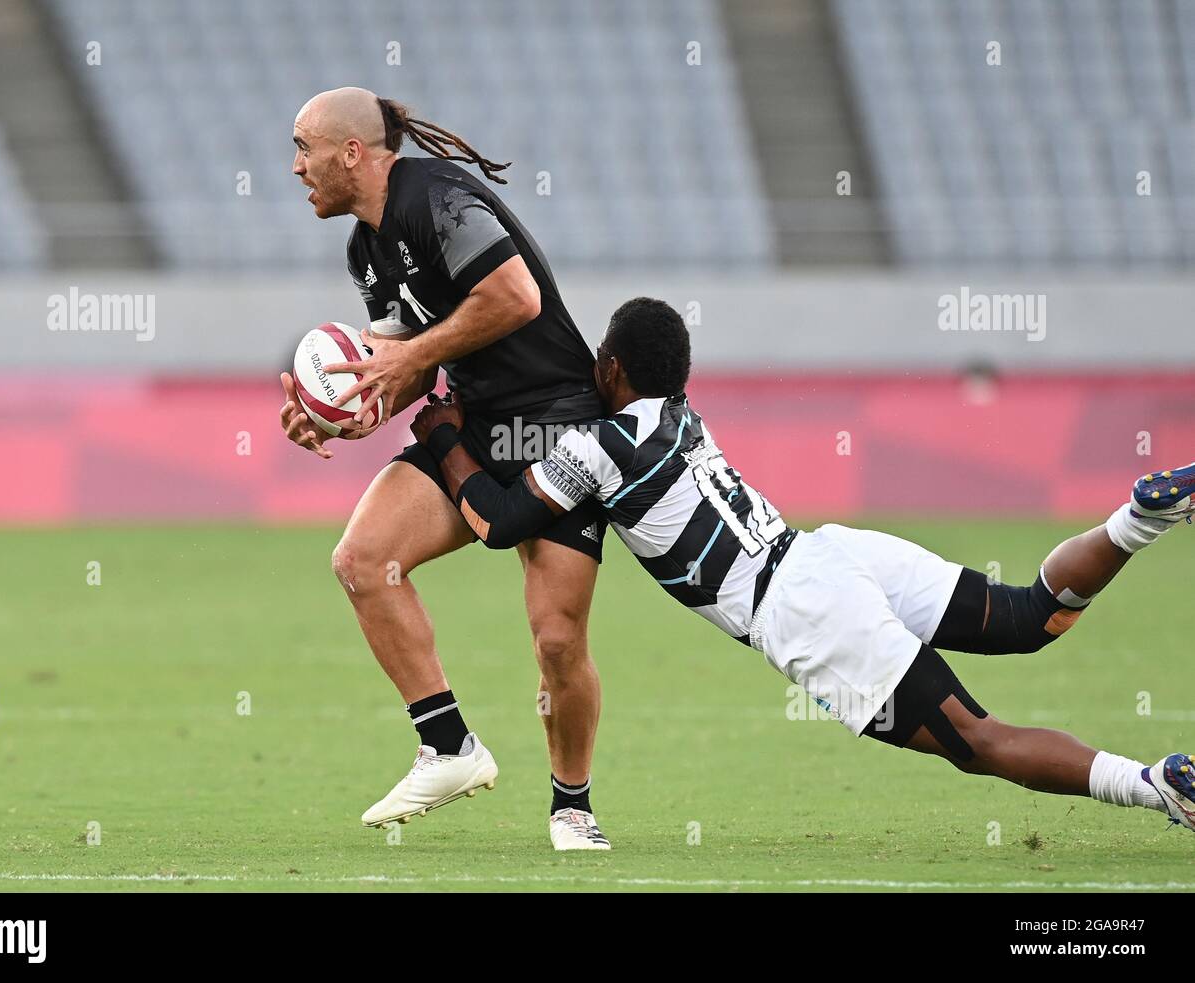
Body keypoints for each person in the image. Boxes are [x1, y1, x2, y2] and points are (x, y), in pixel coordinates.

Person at [408, 296, 1195, 830]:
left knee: (980, 741)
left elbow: (501, 522)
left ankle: (1155, 782)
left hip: (804, 612)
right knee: (1033, 616)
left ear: (611, 368)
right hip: (829, 552)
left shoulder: (603, 444)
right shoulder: (678, 412)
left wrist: (444, 435)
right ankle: (1136, 519)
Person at [279, 87, 611, 849]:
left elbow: (514, 297)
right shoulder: (365, 247)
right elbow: (392, 374)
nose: (297, 167)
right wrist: (329, 407)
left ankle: (572, 805)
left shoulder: (438, 201)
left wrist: (410, 360)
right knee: (363, 561)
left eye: (304, 148)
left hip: (557, 421)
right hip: (471, 418)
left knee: (557, 640)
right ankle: (449, 746)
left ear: (352, 152)